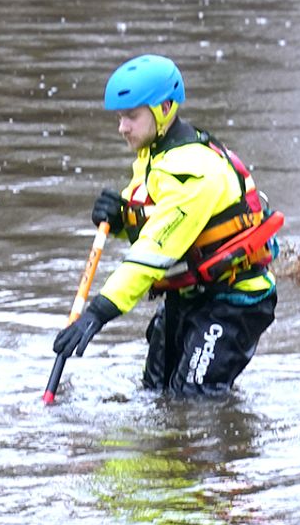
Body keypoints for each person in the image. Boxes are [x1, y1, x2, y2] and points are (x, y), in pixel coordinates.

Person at [52, 54, 282, 395]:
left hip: (232, 302)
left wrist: (98, 312)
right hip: (187, 296)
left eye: (131, 116)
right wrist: (119, 219)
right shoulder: (155, 157)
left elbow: (153, 252)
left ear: (164, 109)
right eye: (119, 117)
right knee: (155, 393)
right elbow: (153, 223)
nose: (122, 127)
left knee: (194, 401)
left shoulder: (192, 173)